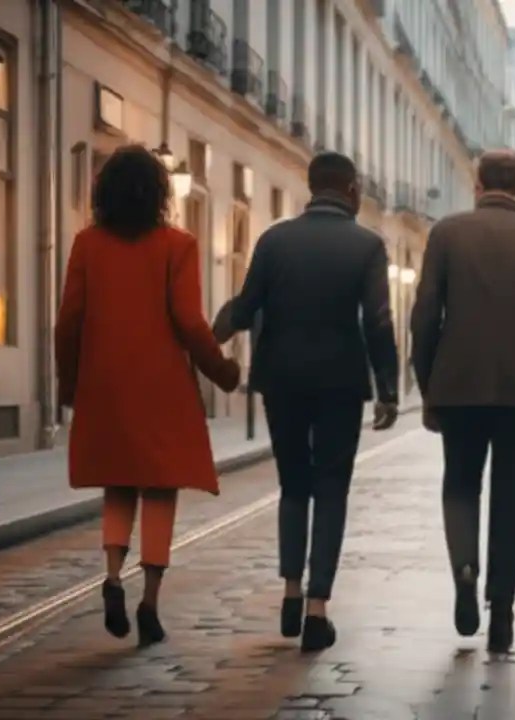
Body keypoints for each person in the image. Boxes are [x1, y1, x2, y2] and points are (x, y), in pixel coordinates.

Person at [56, 145, 241, 648]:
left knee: (117, 485)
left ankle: (113, 576)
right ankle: (150, 603)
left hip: (105, 385)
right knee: (159, 492)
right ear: (160, 194)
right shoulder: (177, 245)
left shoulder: (87, 245)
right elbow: (189, 321)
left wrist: (68, 383)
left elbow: (68, 321)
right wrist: (220, 371)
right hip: (161, 388)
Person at [213, 152, 400, 652]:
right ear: (353, 189)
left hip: (282, 379)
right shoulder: (367, 245)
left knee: (293, 484)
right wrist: (388, 387)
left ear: (310, 187)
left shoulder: (275, 239)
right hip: (340, 382)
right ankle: (318, 608)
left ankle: (291, 591)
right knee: (332, 486)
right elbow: (379, 321)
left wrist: (207, 341)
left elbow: (246, 305)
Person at [411, 149, 515, 653]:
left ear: (477, 183)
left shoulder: (446, 233)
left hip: (459, 388)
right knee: (511, 499)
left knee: (459, 485)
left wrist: (428, 386)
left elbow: (424, 318)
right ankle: (501, 610)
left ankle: (465, 568)